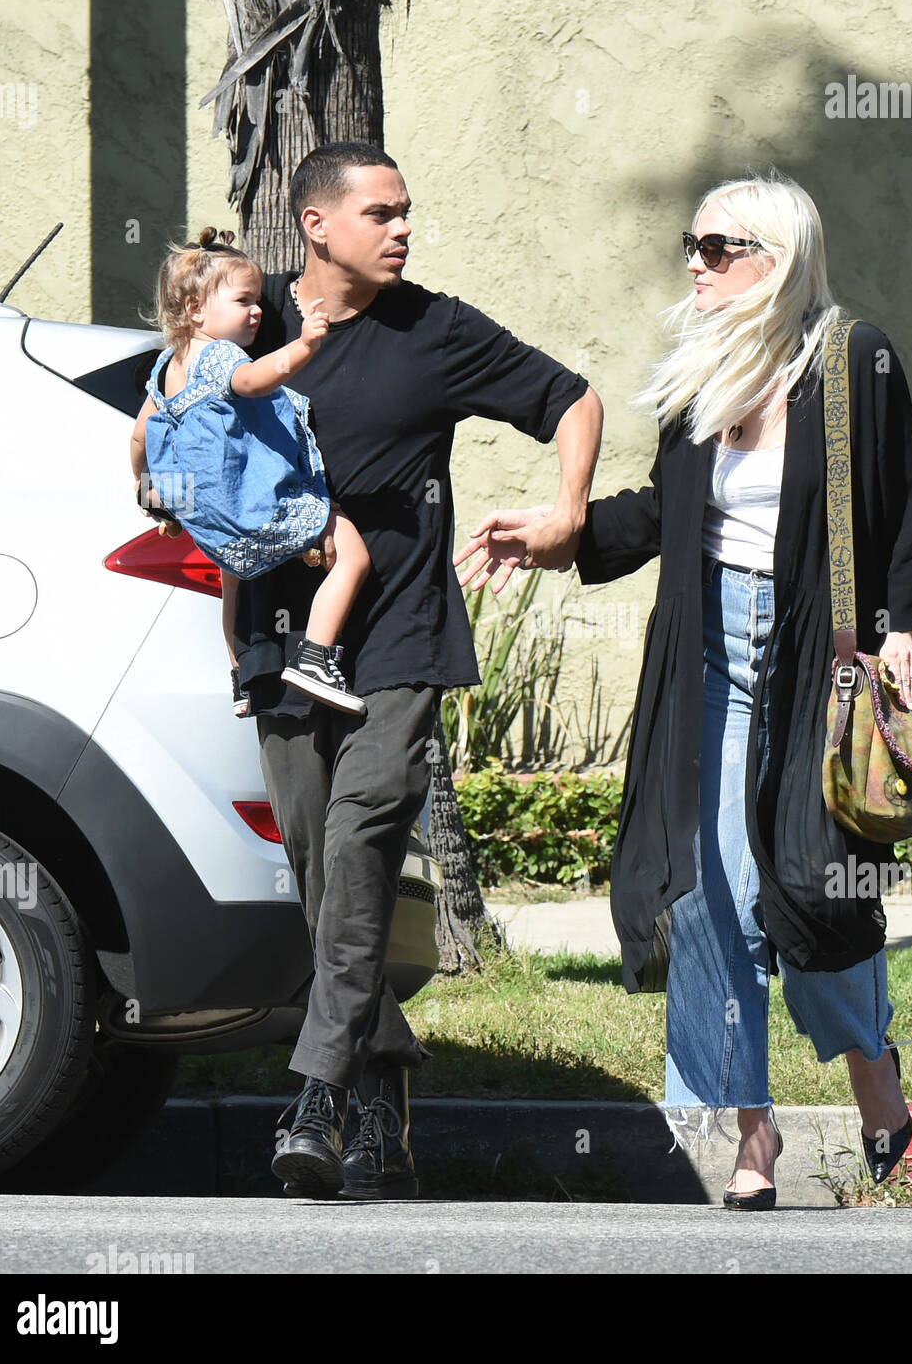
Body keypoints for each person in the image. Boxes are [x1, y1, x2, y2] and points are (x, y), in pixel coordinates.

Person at [459, 173, 912, 1208]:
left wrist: (906, 629)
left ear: (776, 257)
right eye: (693, 242)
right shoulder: (699, 372)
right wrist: (565, 535)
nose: (695, 261)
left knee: (811, 884)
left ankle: (870, 1063)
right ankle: (750, 1133)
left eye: (719, 246)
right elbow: (661, 515)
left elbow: (903, 500)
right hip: (709, 651)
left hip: (822, 656)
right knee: (709, 888)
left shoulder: (851, 358)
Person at [232, 142, 602, 1200]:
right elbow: (173, 414)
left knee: (355, 845)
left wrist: (569, 510)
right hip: (278, 641)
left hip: (397, 643)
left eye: (407, 211)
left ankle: (314, 1095)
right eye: (383, 213)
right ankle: (384, 1096)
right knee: (320, 871)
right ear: (317, 225)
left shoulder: (433, 329)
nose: (403, 229)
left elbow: (572, 398)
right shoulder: (252, 323)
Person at [129, 227, 372, 715]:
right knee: (354, 556)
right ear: (196, 309)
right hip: (258, 504)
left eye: (258, 300)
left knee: (233, 582)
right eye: (244, 300)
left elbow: (141, 437)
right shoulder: (221, 356)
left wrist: (149, 490)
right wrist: (304, 346)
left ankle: (241, 673)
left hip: (211, 515)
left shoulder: (164, 369)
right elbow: (255, 380)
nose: (258, 310)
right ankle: (315, 657)